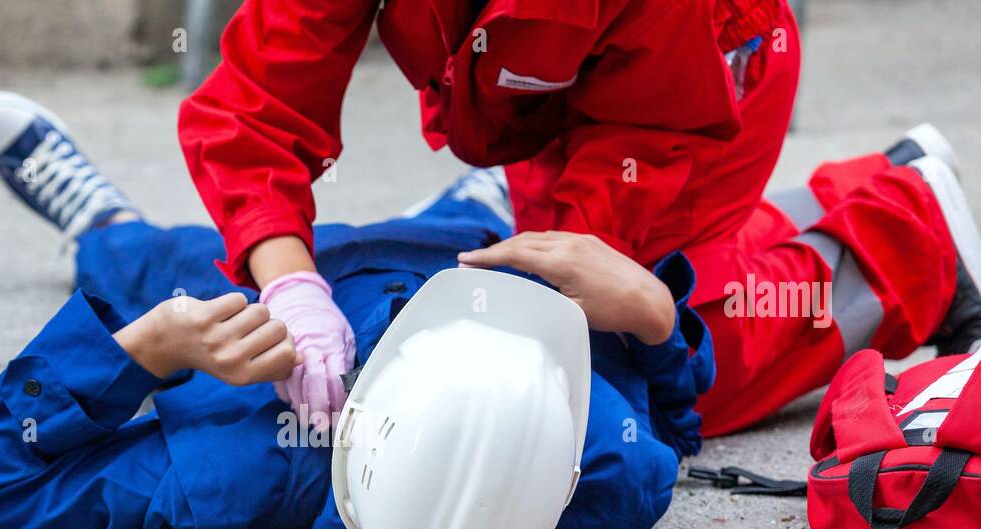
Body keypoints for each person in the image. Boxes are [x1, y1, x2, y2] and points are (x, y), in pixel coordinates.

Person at [0, 93, 714, 529]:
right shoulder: (607, 461)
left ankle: (99, 219)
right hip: (470, 254)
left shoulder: (237, 469)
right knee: (470, 230)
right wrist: (651, 313)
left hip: (288, 280)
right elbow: (672, 436)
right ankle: (481, 198)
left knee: (163, 264)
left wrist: (149, 349)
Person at [177, 1, 981, 443]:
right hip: (536, 96)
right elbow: (259, 104)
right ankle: (834, 210)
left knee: (659, 360)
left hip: (696, 84)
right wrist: (288, 286)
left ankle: (908, 240)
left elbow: (648, 137)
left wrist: (562, 305)